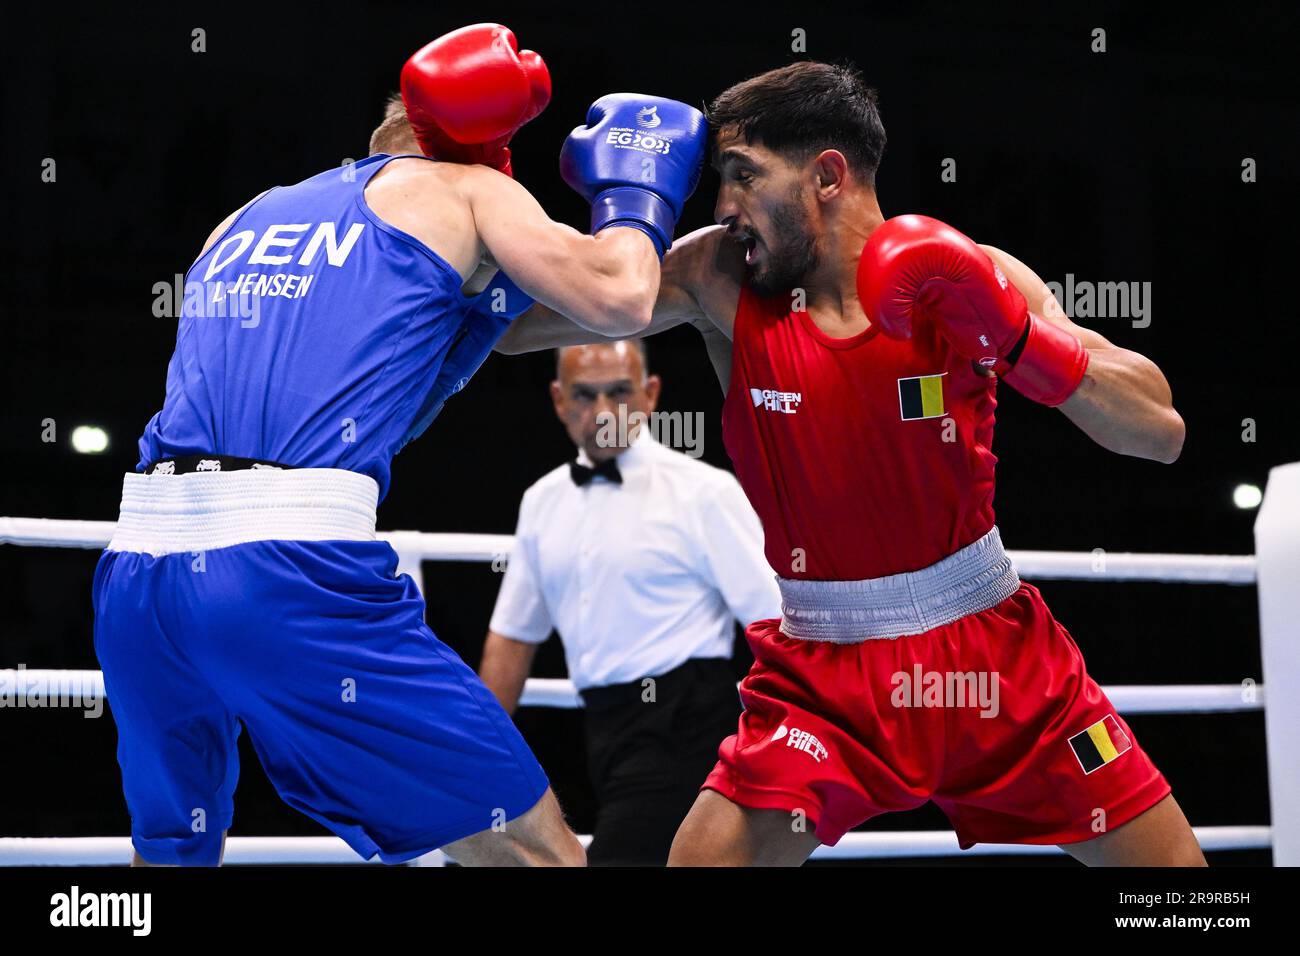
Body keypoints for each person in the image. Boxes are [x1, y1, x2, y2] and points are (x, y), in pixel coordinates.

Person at [493, 61, 1205, 866]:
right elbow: (512, 328)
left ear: (827, 175)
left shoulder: (973, 275)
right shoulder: (720, 278)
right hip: (824, 681)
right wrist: (619, 214)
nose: (723, 206)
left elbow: (1159, 430)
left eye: (743, 176)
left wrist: (1016, 338)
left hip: (998, 664)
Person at [91, 22, 707, 867]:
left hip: (137, 577)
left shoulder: (246, 217)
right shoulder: (465, 190)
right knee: (534, 851)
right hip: (286, 574)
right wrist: (637, 196)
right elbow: (623, 296)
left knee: (169, 857)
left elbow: (428, 335)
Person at [480, 340, 780, 865]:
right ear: (558, 400)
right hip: (602, 731)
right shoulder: (542, 502)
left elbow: (774, 620)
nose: (602, 412)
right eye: (585, 394)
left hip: (687, 724)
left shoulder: (703, 492)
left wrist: (781, 743)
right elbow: (512, 641)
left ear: (650, 394)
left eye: (618, 392)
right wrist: (474, 753)